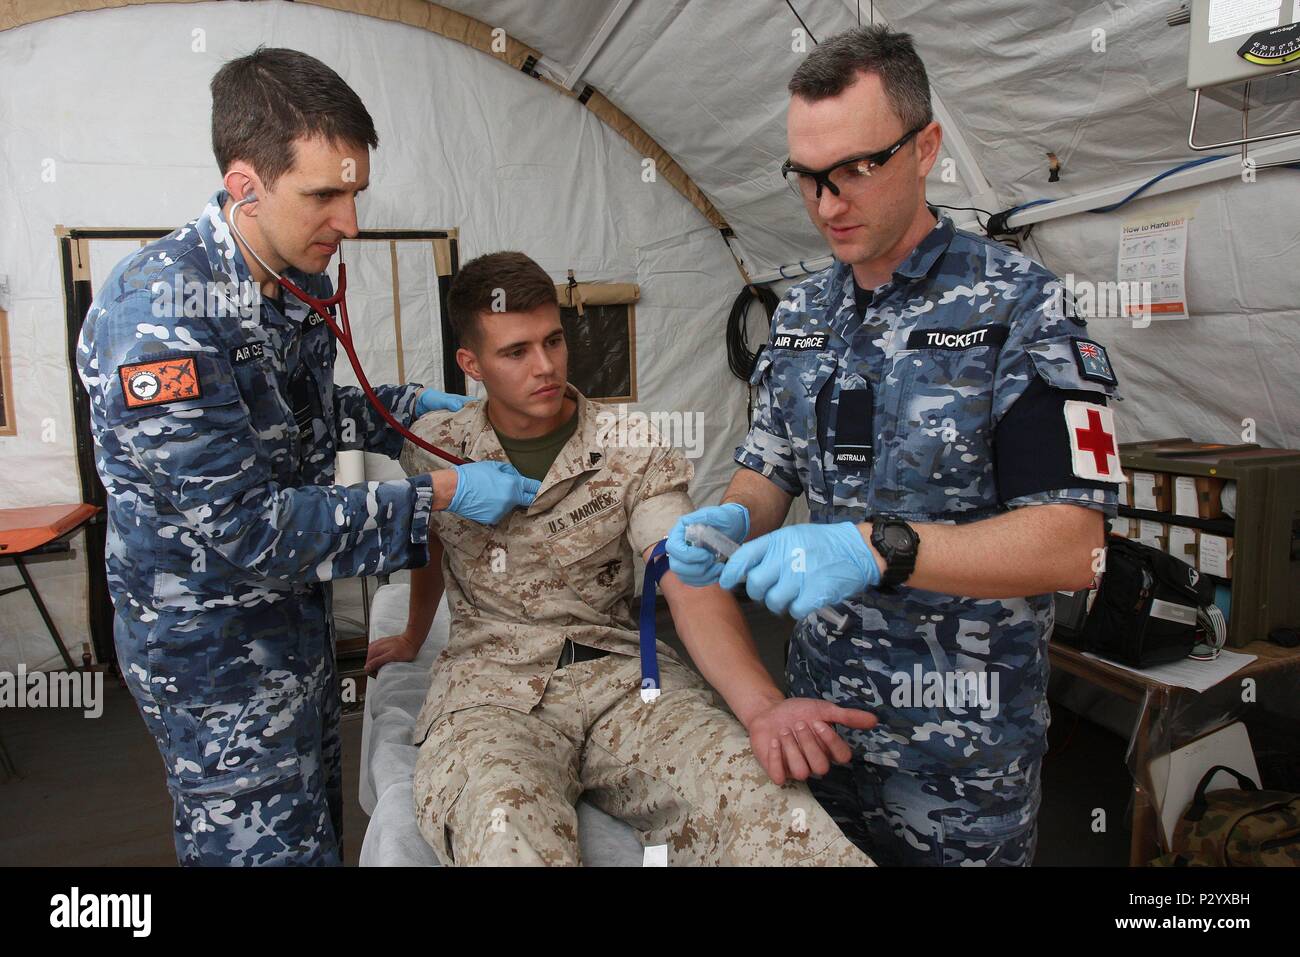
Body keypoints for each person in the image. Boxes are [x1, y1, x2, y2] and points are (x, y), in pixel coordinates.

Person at [666, 26, 1122, 866]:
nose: (827, 201)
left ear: (927, 149)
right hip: (820, 728)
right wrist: (730, 517)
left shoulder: (1018, 307)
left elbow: (1074, 544)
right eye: (807, 176)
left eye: (855, 168)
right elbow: (771, 468)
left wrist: (879, 548)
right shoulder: (802, 317)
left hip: (961, 758)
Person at [75, 48, 537, 866]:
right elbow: (250, 525)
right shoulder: (157, 318)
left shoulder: (291, 276)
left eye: (355, 192)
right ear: (244, 183)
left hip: (293, 629)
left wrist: (397, 409)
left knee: (313, 835)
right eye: (324, 195)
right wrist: (441, 495)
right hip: (215, 660)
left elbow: (295, 422)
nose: (350, 223)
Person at [372, 251, 877, 866]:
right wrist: (411, 635)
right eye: (516, 352)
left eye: (554, 341)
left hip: (623, 679)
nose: (546, 366)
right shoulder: (435, 452)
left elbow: (684, 579)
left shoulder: (630, 445)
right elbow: (429, 551)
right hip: (491, 691)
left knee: (760, 801)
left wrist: (761, 706)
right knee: (502, 827)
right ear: (470, 365)